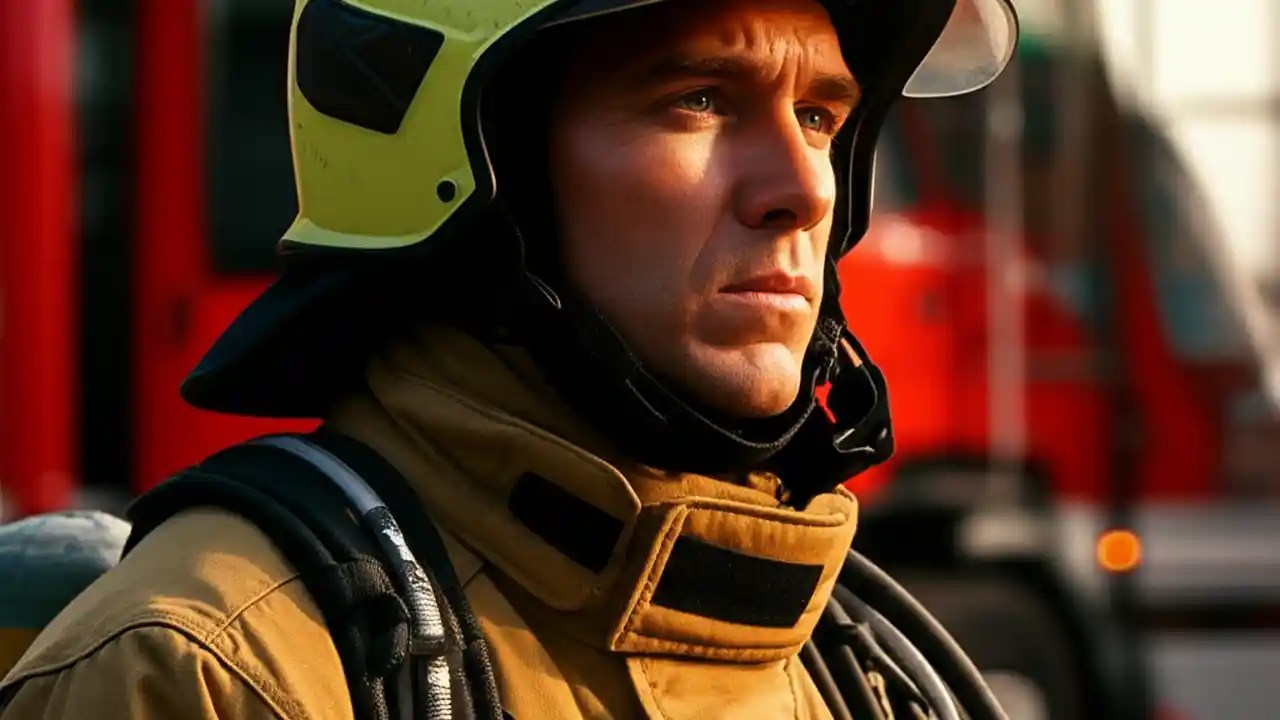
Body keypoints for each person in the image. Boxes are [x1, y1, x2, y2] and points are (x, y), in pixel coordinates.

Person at [0, 0, 1018, 717]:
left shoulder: (865, 678)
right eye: (701, 100)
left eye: (819, 115)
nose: (804, 188)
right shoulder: (210, 673)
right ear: (484, 172)